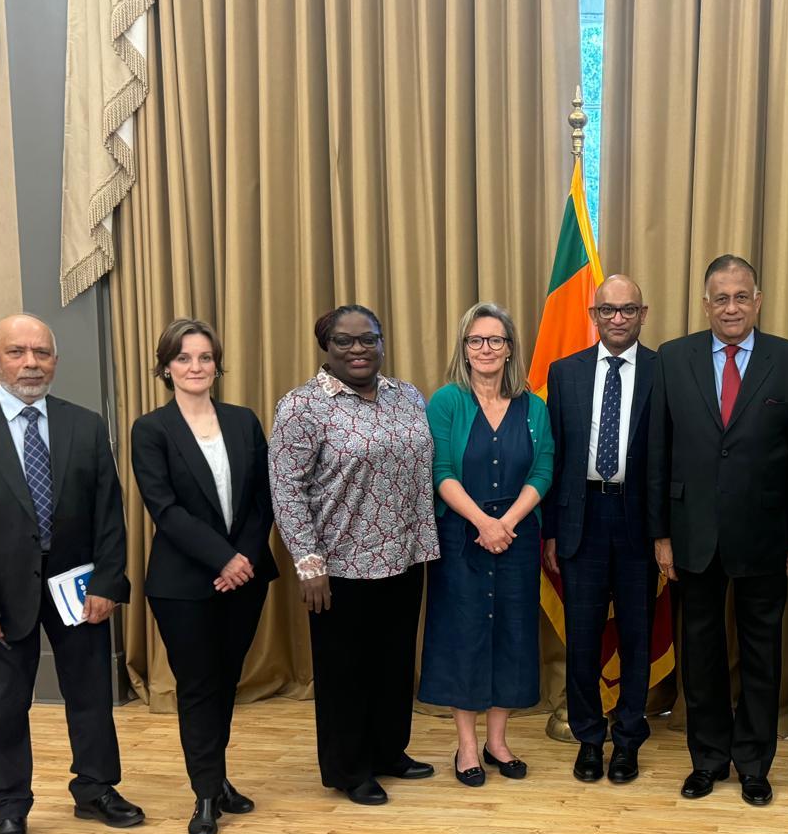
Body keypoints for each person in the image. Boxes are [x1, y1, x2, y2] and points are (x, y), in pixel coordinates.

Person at [0, 313, 141, 834]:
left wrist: (109, 583)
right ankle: (7, 809)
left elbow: (108, 513)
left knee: (90, 695)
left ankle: (95, 788)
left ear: (55, 361)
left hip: (77, 589)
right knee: (2, 706)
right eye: (17, 352)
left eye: (41, 353)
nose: (30, 363)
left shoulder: (86, 425)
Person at [648, 254, 788, 806]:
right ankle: (708, 759)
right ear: (705, 304)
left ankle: (753, 764)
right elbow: (659, 453)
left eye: (741, 296)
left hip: (765, 537)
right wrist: (662, 535)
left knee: (761, 652)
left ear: (758, 301)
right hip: (692, 533)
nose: (731, 307)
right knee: (700, 653)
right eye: (720, 297)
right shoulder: (673, 359)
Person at [269, 304, 439, 806]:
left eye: (369, 339)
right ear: (327, 347)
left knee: (393, 663)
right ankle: (350, 769)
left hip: (406, 555)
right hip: (340, 564)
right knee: (347, 671)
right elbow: (286, 489)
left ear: (383, 341)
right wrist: (309, 563)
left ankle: (389, 751)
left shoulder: (406, 395)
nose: (359, 349)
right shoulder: (302, 406)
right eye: (345, 341)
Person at [130, 318, 277, 834]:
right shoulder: (150, 430)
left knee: (226, 683)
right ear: (166, 367)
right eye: (184, 358)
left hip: (246, 578)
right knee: (198, 688)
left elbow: (264, 501)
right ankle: (205, 796)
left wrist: (244, 559)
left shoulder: (243, 421)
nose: (196, 367)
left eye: (205, 358)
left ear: (217, 364)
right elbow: (165, 510)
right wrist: (223, 559)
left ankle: (219, 778)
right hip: (183, 585)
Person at [418, 302, 554, 786]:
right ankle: (468, 747)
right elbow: (440, 471)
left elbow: (543, 470)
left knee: (512, 635)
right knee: (465, 637)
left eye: (495, 340)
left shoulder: (533, 406)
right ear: (464, 348)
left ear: (510, 348)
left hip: (517, 536)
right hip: (461, 533)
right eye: (476, 340)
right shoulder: (446, 402)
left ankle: (498, 742)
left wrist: (507, 523)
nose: (486, 349)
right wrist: (482, 521)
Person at [543, 275, 657, 784]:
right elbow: (554, 456)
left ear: (642, 314)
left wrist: (665, 532)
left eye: (627, 309)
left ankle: (628, 738)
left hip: (638, 522)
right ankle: (589, 738)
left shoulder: (663, 370)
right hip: (580, 519)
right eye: (608, 310)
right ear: (593, 315)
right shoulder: (563, 373)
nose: (617, 319)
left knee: (636, 634)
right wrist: (550, 530)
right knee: (583, 638)